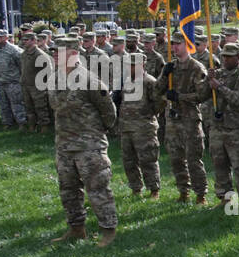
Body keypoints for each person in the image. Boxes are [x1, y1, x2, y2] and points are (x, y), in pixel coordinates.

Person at [47, 38, 118, 246]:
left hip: (89, 146)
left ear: (72, 53)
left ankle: (108, 230)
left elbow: (109, 113)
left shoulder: (90, 81)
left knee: (98, 189)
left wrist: (94, 135)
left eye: (58, 52)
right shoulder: (54, 79)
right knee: (68, 190)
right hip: (64, 145)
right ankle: (76, 229)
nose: (54, 55)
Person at [206, 43, 239, 210]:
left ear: (238, 57)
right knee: (220, 166)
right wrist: (208, 79)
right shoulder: (218, 74)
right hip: (218, 127)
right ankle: (228, 201)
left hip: (238, 129)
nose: (225, 59)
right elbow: (202, 94)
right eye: (224, 56)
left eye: (229, 56)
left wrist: (219, 87)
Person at [163, 32, 210, 204]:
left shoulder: (196, 68)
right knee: (176, 158)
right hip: (173, 119)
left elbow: (203, 94)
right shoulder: (171, 67)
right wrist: (164, 75)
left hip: (189, 119)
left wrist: (180, 97)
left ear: (186, 45)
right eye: (172, 44)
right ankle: (183, 191)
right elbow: (158, 90)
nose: (174, 47)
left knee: (193, 159)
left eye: (178, 44)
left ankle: (200, 194)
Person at [118, 49, 165, 200]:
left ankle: (154, 189)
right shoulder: (126, 81)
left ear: (142, 65)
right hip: (126, 127)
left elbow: (160, 101)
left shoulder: (150, 81)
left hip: (144, 128)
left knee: (148, 160)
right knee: (129, 160)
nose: (130, 68)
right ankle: (136, 188)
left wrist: (149, 113)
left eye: (133, 65)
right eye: (128, 65)